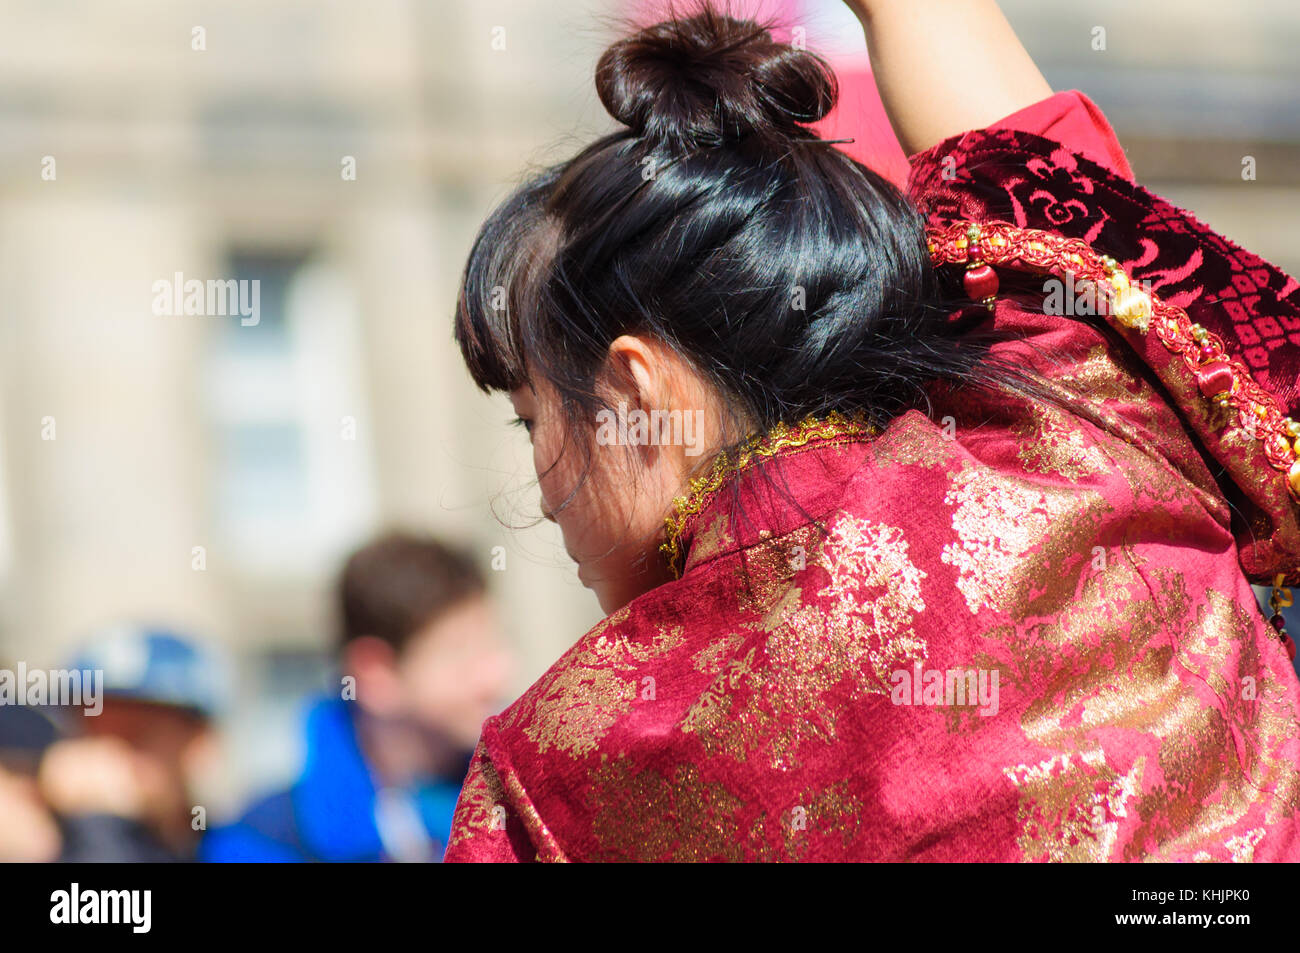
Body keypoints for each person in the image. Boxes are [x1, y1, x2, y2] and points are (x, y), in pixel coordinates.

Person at [444, 1, 1300, 861]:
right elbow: (1038, 171)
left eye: (531, 419)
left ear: (636, 392)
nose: (543, 494)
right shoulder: (1074, 422)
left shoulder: (554, 775)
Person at [201, 532, 512, 862]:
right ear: (376, 675)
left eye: (494, 644)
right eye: (460, 652)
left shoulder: (522, 808)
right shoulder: (262, 843)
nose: (497, 676)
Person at [38, 626, 224, 862]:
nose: (106, 759)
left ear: (199, 744)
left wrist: (102, 825)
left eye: (133, 735)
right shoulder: (34, 844)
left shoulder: (246, 850)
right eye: (90, 732)